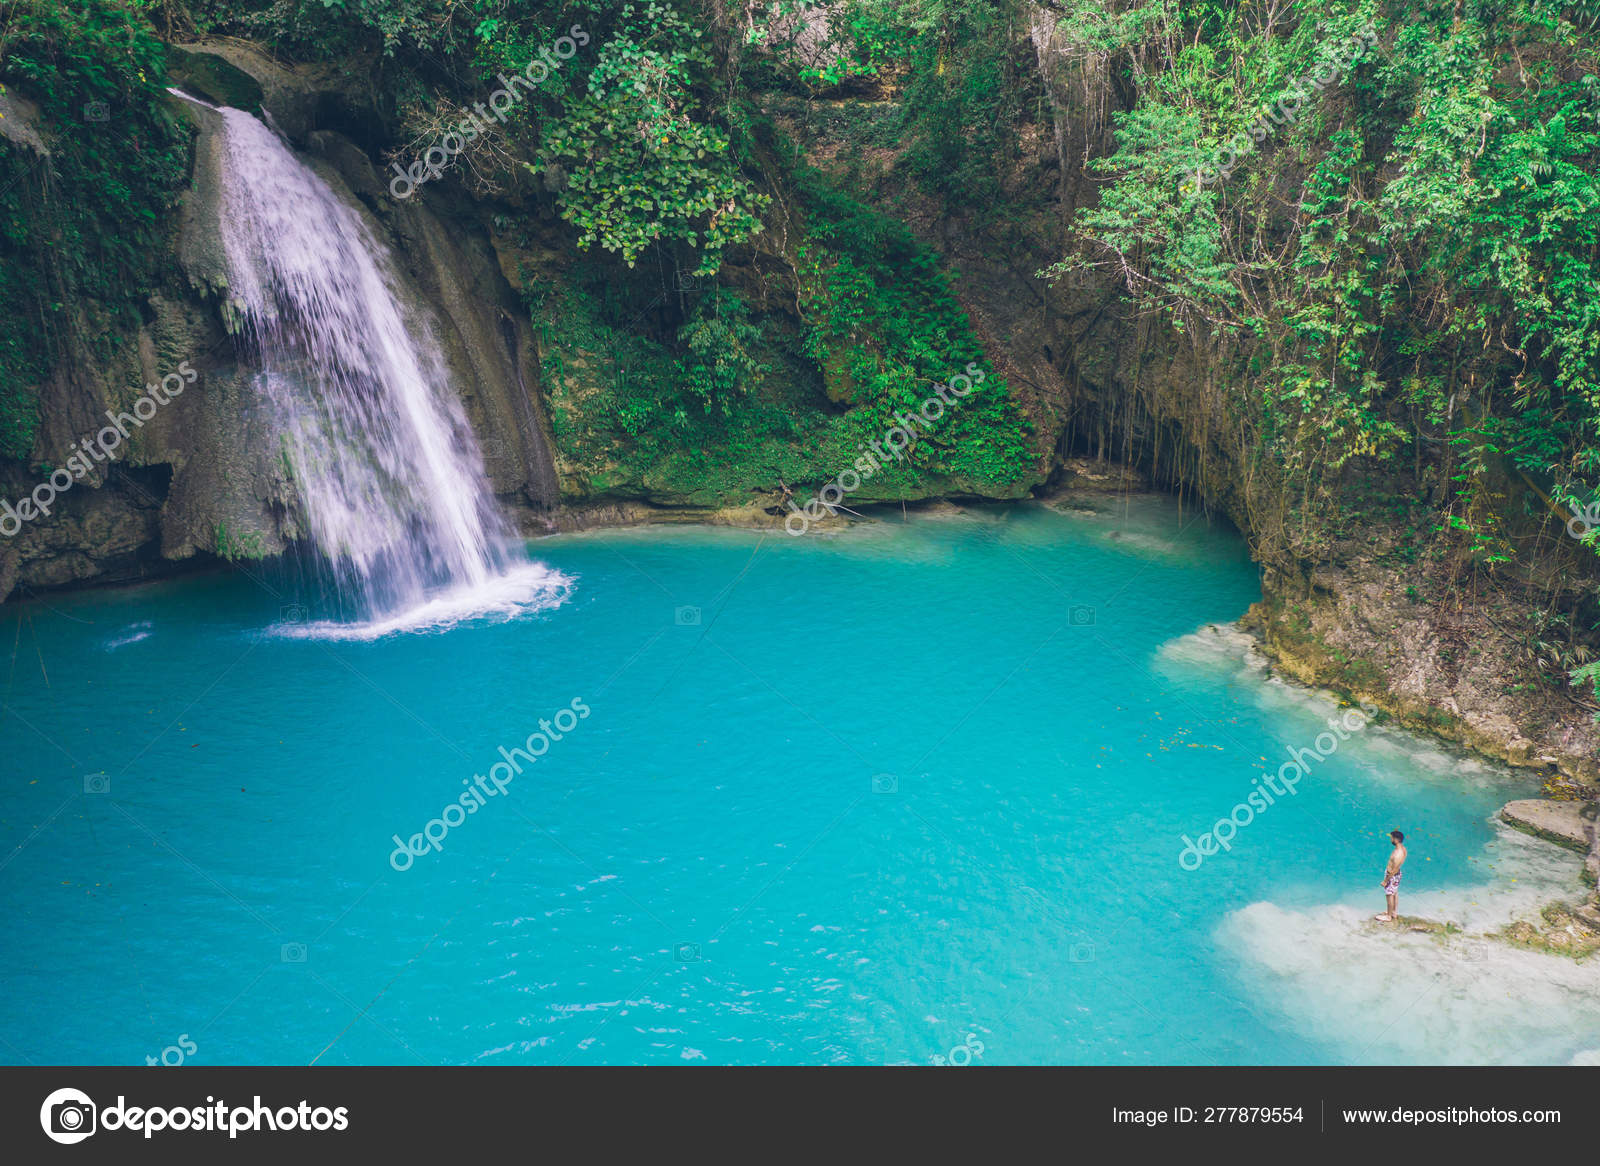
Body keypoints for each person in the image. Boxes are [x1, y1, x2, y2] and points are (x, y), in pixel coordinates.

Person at [1375, 829, 1406, 921]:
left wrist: (1386, 880)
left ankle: (1388, 916)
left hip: (1392, 876)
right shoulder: (1403, 849)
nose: (1391, 840)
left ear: (1396, 839)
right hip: (1396, 875)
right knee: (1394, 893)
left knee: (1389, 895)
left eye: (1391, 838)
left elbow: (1395, 869)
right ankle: (1393, 912)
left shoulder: (1398, 854)